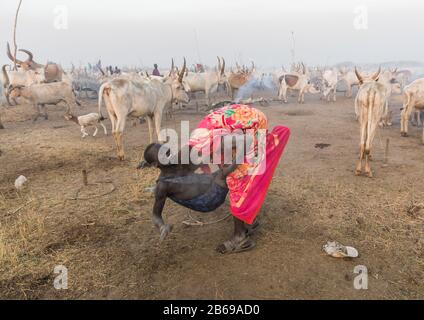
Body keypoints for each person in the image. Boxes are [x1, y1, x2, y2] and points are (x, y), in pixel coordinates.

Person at [139, 104, 290, 254]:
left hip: (251, 123)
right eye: (164, 156)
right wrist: (162, 225)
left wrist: (240, 156)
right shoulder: (180, 163)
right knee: (232, 170)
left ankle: (240, 236)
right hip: (242, 122)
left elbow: (240, 144)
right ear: (155, 164)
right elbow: (157, 211)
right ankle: (247, 222)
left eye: (168, 152)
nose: (170, 156)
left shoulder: (208, 143)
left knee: (236, 176)